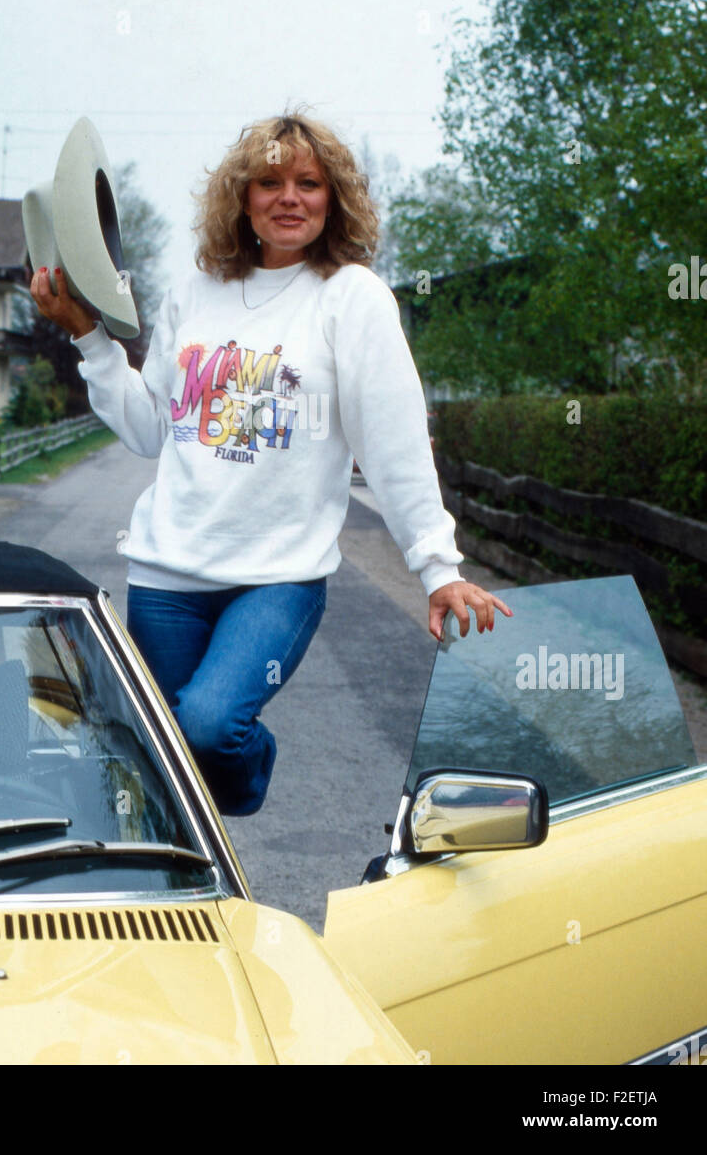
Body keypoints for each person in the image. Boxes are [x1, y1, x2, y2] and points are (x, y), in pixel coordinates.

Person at [30, 110, 512, 816]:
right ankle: (186, 894)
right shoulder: (194, 292)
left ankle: (247, 780)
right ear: (242, 197)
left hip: (276, 581)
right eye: (270, 181)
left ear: (334, 198)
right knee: (159, 765)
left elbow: (394, 442)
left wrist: (436, 568)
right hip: (166, 576)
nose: (290, 197)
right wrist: (91, 341)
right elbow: (146, 429)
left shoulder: (352, 299)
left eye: (309, 183)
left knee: (207, 727)